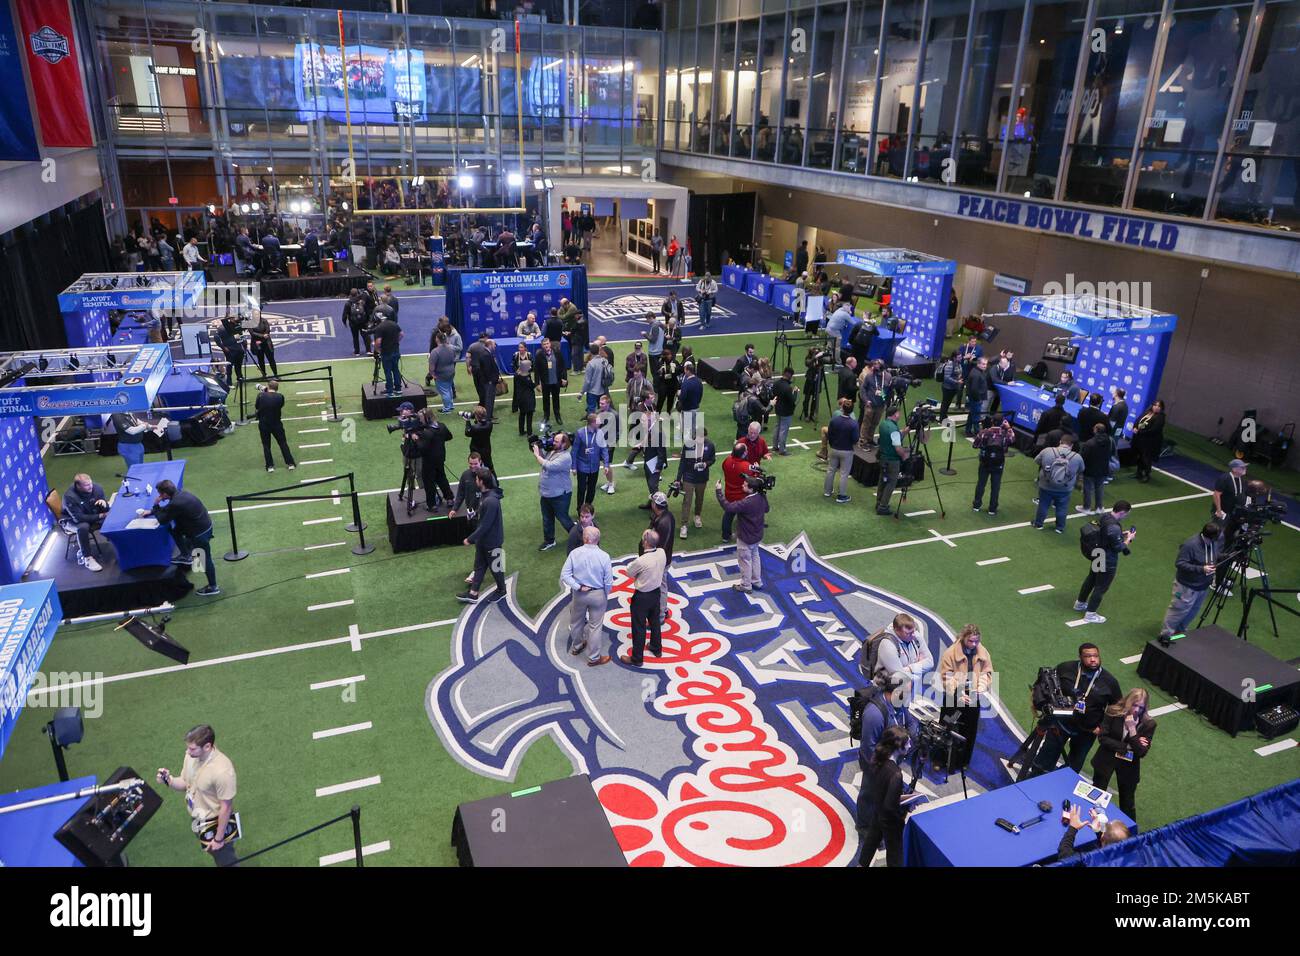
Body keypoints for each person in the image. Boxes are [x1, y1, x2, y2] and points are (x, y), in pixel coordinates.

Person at [1030, 643, 1122, 775]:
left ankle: (1060, 790)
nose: (1093, 659)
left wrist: (1103, 727)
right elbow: (1046, 685)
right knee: (1045, 759)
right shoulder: (1065, 668)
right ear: (1080, 657)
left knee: (1073, 767)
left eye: (1095, 656)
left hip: (1087, 730)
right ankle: (1034, 781)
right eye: (1088, 656)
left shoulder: (1110, 682)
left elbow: (1117, 709)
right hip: (1060, 723)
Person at [155, 725, 237, 865]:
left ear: (207, 747)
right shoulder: (191, 756)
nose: (188, 752)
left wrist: (218, 838)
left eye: (192, 749)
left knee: (226, 861)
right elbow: (185, 783)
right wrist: (169, 780)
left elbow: (226, 808)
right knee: (213, 853)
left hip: (215, 824)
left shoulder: (222, 771)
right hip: (198, 820)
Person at [1090, 688, 1156, 823]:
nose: (1137, 710)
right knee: (1097, 794)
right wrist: (1128, 746)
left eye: (1141, 707)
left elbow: (1141, 752)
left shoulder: (1149, 724)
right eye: (1134, 705)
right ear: (1128, 702)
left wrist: (1132, 730)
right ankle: (1092, 824)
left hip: (1129, 766)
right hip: (1106, 760)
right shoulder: (1113, 712)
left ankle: (1130, 833)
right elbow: (1102, 737)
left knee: (1127, 801)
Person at [143, 480, 219, 596]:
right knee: (175, 530)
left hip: (199, 534)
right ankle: (186, 555)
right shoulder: (182, 494)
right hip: (204, 525)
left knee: (204, 559)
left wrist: (155, 505)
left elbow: (163, 520)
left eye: (160, 494)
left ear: (164, 494)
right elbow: (169, 510)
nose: (159, 496)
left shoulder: (175, 503)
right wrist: (153, 511)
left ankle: (213, 587)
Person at [937, 624, 992, 770]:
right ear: (963, 638)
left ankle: (963, 761)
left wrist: (981, 687)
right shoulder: (950, 653)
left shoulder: (983, 652)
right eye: (971, 641)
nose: (974, 644)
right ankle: (939, 760)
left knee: (970, 730)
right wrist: (959, 693)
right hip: (954, 695)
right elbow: (946, 677)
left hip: (973, 694)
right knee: (946, 727)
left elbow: (987, 673)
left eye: (976, 641)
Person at [562, 524, 614, 667]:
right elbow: (608, 581)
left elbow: (564, 575)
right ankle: (593, 658)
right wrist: (605, 594)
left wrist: (578, 587)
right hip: (598, 594)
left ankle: (577, 646)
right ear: (598, 539)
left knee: (576, 622)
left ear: (584, 538)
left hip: (580, 593)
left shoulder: (574, 554)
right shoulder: (604, 556)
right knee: (595, 626)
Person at [1160, 522, 1222, 639]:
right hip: (1186, 586)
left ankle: (1179, 633)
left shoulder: (1213, 542)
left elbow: (1214, 555)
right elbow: (1180, 563)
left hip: (1203, 586)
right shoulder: (1190, 545)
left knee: (1192, 612)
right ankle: (1165, 635)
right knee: (1178, 611)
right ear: (1208, 536)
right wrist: (1201, 569)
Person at [860, 725, 911, 867]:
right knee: (895, 855)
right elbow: (890, 806)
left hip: (878, 810)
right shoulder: (896, 774)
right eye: (907, 743)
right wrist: (902, 812)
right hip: (889, 820)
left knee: (871, 841)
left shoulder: (879, 760)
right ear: (898, 746)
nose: (910, 745)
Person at [1074, 500, 1133, 624]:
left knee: (1091, 579)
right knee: (1101, 587)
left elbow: (1105, 535)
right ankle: (1090, 615)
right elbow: (1118, 548)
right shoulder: (1114, 527)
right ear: (1122, 512)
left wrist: (1121, 535)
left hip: (1098, 554)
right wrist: (1128, 539)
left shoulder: (1105, 517)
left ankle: (1080, 603)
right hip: (1107, 560)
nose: (1126, 516)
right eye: (1126, 514)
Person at [715, 470, 770, 592]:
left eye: (745, 485)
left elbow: (728, 507)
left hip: (746, 537)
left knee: (745, 561)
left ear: (751, 489)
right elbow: (766, 509)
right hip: (757, 535)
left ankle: (746, 585)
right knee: (755, 557)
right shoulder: (761, 497)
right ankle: (756, 581)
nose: (742, 486)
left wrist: (719, 491)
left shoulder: (747, 502)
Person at [457, 469, 506, 603]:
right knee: (479, 566)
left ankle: (502, 590)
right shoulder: (486, 496)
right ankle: (473, 593)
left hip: (492, 540)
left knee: (496, 567)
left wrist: (470, 539)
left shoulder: (490, 501)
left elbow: (485, 525)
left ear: (482, 482)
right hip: (483, 540)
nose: (475, 480)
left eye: (477, 479)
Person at [621, 529, 667, 667]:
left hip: (642, 597)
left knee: (639, 627)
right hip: (656, 593)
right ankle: (656, 647)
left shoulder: (641, 561)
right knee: (655, 622)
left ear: (645, 542)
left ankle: (637, 658)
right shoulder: (662, 553)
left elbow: (629, 571)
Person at [1032, 434, 1085, 533]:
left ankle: (1038, 524)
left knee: (1043, 504)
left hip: (1046, 485)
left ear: (1060, 442)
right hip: (1065, 488)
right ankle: (1059, 528)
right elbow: (1082, 469)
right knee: (1062, 507)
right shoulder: (1077, 457)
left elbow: (1037, 461)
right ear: (1071, 445)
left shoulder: (1047, 451)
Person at [534, 430, 574, 551]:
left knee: (563, 519)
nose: (553, 442)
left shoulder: (566, 457)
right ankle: (549, 540)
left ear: (564, 444)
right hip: (547, 494)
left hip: (560, 495)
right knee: (547, 518)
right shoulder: (553, 451)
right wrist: (537, 447)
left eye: (556, 441)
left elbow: (549, 466)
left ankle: (578, 536)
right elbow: (543, 457)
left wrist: (537, 455)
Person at [62, 473, 108, 572]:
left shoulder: (97, 488)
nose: (91, 486)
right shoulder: (69, 497)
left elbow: (105, 509)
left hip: (90, 513)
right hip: (71, 520)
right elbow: (78, 518)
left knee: (111, 514)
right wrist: (99, 516)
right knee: (83, 527)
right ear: (78, 486)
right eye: (87, 485)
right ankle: (87, 557)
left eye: (90, 483)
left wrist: (105, 505)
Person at [971, 414, 1015, 516]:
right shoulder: (1005, 434)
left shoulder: (985, 432)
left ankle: (977, 505)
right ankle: (992, 508)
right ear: (1002, 422)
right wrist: (1008, 427)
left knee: (981, 483)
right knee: (995, 486)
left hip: (984, 462)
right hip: (998, 464)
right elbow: (1013, 439)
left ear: (992, 421)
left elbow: (974, 445)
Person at [676, 427, 716, 539]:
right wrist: (678, 479)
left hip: (702, 477)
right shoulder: (688, 445)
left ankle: (697, 515)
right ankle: (684, 524)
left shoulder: (710, 445)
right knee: (687, 500)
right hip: (689, 476)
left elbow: (713, 459)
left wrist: (705, 464)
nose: (700, 439)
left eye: (702, 437)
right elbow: (683, 462)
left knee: (700, 498)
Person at [1057, 805, 1131, 860]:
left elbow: (1064, 854)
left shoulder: (1091, 860)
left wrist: (1072, 828)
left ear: (1103, 839)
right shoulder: (1127, 855)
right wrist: (1099, 832)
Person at [414, 409, 454, 508]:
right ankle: (449, 498)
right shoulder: (442, 426)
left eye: (421, 418)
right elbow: (449, 437)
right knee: (441, 478)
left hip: (429, 461)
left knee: (428, 482)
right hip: (440, 458)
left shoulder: (427, 432)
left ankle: (431, 505)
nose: (420, 421)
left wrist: (416, 439)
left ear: (427, 418)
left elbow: (422, 448)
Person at [255, 379, 295, 473]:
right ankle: (290, 463)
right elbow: (280, 405)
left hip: (264, 424)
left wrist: (263, 393)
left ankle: (270, 466)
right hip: (276, 424)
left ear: (268, 387)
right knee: (283, 443)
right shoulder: (280, 397)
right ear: (277, 388)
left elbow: (257, 406)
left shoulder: (261, 395)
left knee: (266, 445)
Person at [571, 413, 612, 507]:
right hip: (582, 466)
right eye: (598, 422)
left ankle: (588, 508)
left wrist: (606, 465)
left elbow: (604, 449)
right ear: (592, 423)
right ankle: (580, 509)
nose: (600, 423)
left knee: (591, 489)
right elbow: (574, 451)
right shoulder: (580, 433)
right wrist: (574, 467)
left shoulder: (600, 433)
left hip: (594, 466)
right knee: (581, 489)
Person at [876, 405, 909, 516]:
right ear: (895, 414)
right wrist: (904, 455)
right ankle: (883, 506)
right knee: (891, 483)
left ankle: (879, 502)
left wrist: (904, 432)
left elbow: (892, 438)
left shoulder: (883, 424)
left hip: (882, 458)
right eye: (898, 413)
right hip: (892, 460)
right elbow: (897, 447)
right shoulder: (893, 429)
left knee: (882, 481)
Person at [823, 398, 857, 504]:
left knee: (830, 470)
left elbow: (830, 434)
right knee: (843, 473)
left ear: (842, 407)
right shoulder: (853, 424)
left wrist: (832, 444)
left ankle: (827, 491)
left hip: (834, 448)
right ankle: (841, 495)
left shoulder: (834, 420)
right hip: (846, 450)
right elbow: (855, 439)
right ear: (851, 411)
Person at [719, 442, 752, 544]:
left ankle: (725, 536)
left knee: (728, 515)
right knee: (744, 517)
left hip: (729, 494)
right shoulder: (746, 466)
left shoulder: (727, 461)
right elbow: (752, 479)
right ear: (743, 454)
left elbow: (724, 467)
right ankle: (743, 536)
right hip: (742, 496)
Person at [1078, 422, 1113, 515]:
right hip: (1103, 469)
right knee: (1100, 488)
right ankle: (1099, 507)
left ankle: (1087, 508)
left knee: (1088, 489)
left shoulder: (1089, 443)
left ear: (1096, 430)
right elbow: (1111, 453)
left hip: (1090, 469)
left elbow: (1083, 457)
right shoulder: (1109, 440)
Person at [466, 333, 500, 421]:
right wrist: (492, 380)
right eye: (493, 345)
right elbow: (488, 369)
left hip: (476, 371)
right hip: (487, 379)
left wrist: (468, 367)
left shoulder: (472, 346)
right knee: (488, 398)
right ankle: (486, 416)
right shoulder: (486, 354)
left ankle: (482, 409)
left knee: (480, 390)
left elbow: (468, 357)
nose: (494, 346)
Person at [534, 337, 568, 425]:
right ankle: (546, 416)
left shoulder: (557, 352)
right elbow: (536, 370)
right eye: (544, 344)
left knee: (556, 399)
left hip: (556, 381)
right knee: (545, 400)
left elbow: (563, 366)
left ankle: (557, 416)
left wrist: (564, 378)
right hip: (545, 382)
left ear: (550, 344)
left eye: (547, 344)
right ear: (542, 346)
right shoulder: (539, 355)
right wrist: (537, 383)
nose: (546, 346)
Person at [371, 309, 404, 397]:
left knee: (388, 371)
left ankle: (389, 391)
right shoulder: (394, 324)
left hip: (386, 353)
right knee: (396, 370)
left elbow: (378, 342)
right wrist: (396, 342)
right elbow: (401, 334)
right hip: (396, 351)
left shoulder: (379, 328)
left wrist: (378, 350)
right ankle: (398, 389)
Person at [1131, 400, 1166, 482]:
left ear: (1161, 408)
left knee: (1146, 458)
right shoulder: (1147, 412)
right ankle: (1138, 473)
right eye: (1155, 405)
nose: (1156, 407)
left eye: (1159, 406)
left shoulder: (1161, 417)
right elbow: (1137, 420)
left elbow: (1154, 429)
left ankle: (1147, 475)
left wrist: (1140, 432)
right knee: (1139, 456)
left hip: (1150, 441)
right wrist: (1135, 427)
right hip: (1140, 439)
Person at [857, 360, 888, 449]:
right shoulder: (869, 376)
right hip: (870, 405)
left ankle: (870, 439)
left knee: (875, 423)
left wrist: (885, 400)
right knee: (866, 423)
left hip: (880, 405)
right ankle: (863, 441)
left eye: (877, 367)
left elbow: (888, 390)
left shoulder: (887, 377)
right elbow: (863, 389)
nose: (875, 368)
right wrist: (866, 400)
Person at [770, 367, 799, 455]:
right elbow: (793, 400)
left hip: (778, 409)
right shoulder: (788, 388)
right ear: (790, 376)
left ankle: (775, 446)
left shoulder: (776, 383)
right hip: (786, 412)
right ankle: (782, 450)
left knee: (777, 427)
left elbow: (773, 394)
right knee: (783, 430)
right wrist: (796, 392)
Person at [428, 332, 458, 413]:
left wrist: (432, 374)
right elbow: (454, 358)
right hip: (451, 372)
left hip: (441, 374)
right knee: (449, 389)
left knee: (444, 392)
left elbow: (432, 366)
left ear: (437, 339)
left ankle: (447, 409)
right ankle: (450, 406)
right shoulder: (451, 348)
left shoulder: (435, 351)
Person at [1212, 458, 1248, 522]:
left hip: (1233, 511)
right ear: (1234, 469)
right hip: (1223, 511)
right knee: (1217, 527)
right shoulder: (1224, 478)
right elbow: (1216, 494)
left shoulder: (1242, 479)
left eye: (1244, 467)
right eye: (1242, 467)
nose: (1244, 469)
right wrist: (1219, 511)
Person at [581, 344, 612, 414]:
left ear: (590, 352)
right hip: (602, 389)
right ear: (598, 351)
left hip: (592, 391)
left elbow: (587, 381)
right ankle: (603, 423)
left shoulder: (590, 364)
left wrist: (582, 392)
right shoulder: (605, 361)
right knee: (602, 409)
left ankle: (592, 424)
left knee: (591, 410)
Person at [964, 356, 990, 438]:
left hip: (976, 398)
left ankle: (968, 431)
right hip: (976, 398)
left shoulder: (977, 371)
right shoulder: (976, 374)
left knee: (972, 415)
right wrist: (978, 399)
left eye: (985, 364)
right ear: (978, 364)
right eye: (983, 364)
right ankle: (977, 433)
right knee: (976, 416)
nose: (985, 366)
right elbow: (974, 389)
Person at [464, 404, 494, 474]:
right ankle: (495, 482)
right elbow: (483, 422)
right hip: (486, 449)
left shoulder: (475, 428)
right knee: (490, 466)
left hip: (476, 450)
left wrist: (467, 421)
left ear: (476, 416)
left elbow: (467, 433)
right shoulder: (490, 424)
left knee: (476, 467)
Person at [937, 350, 963, 422]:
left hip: (953, 387)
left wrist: (959, 377)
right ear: (954, 358)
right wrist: (957, 381)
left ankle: (944, 415)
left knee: (948, 402)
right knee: (945, 403)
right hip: (947, 387)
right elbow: (946, 378)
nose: (961, 358)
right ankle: (941, 418)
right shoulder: (950, 364)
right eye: (959, 357)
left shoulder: (958, 363)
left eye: (961, 356)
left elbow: (959, 372)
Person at [343, 290, 371, 355]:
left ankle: (357, 352)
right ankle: (368, 350)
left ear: (350, 294)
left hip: (353, 324)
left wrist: (344, 322)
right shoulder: (362, 302)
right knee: (365, 336)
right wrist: (368, 321)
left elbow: (344, 315)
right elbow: (367, 312)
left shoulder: (348, 303)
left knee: (355, 337)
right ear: (357, 294)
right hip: (363, 323)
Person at [654, 349, 683, 414]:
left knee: (670, 400)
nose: (670, 356)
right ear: (665, 356)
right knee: (660, 400)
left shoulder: (674, 362)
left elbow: (681, 370)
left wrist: (675, 368)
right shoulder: (661, 362)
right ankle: (657, 414)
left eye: (670, 354)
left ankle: (668, 413)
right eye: (668, 355)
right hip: (663, 384)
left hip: (672, 384)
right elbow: (657, 373)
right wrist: (661, 371)